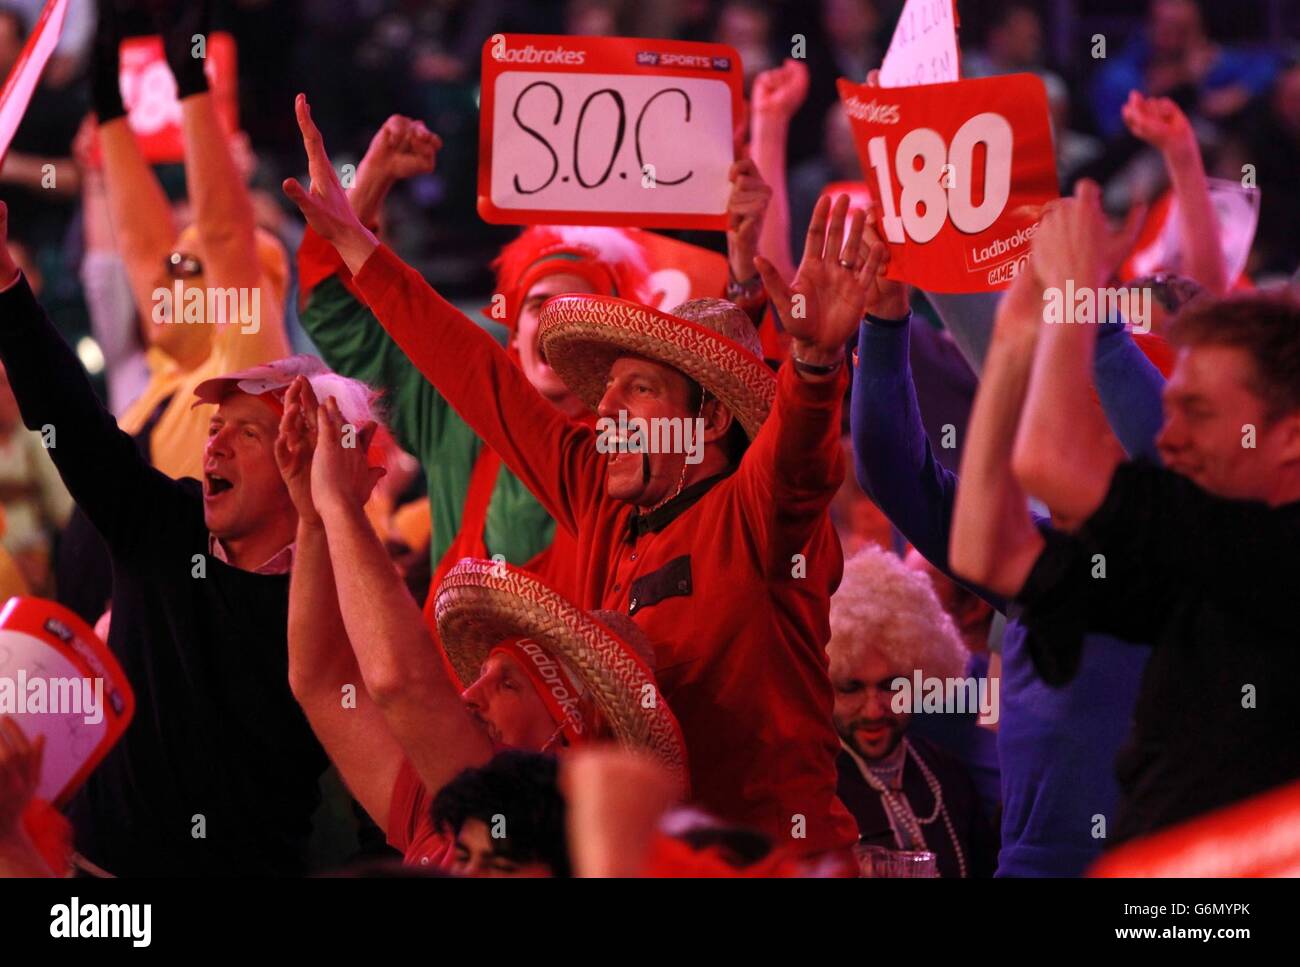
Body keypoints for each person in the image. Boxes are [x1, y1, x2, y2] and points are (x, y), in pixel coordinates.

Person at [284, 92, 872, 851]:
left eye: (641, 388)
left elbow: (799, 457)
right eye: (608, 387)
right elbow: (476, 374)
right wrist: (359, 247)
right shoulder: (600, 489)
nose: (607, 408)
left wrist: (817, 363)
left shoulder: (756, 511)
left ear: (713, 421)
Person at [0, 193, 399, 873]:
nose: (213, 448)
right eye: (215, 429)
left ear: (309, 461)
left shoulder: (350, 603)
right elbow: (68, 413)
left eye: (249, 433)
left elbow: (389, 807)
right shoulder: (163, 526)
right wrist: (5, 285)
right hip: (96, 885)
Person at [951, 180, 1300, 841]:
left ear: (1289, 433)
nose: (1166, 438)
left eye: (1196, 412)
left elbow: (1051, 461)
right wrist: (1012, 341)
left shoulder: (1275, 549)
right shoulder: (1206, 557)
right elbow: (989, 553)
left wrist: (1073, 302)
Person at [278, 369, 686, 868]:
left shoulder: (552, 836)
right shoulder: (442, 809)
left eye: (508, 684)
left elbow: (399, 683)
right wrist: (313, 521)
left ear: (572, 727)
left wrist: (339, 506)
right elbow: (320, 682)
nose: (469, 696)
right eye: (484, 677)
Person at [295, 112, 652, 618]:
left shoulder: (636, 459)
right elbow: (330, 306)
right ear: (514, 335)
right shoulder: (450, 414)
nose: (559, 325)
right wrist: (373, 178)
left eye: (583, 310)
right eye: (539, 306)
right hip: (453, 693)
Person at [827, 546, 997, 878]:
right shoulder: (813, 787)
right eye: (851, 688)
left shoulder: (946, 774)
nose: (874, 710)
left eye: (891, 686)